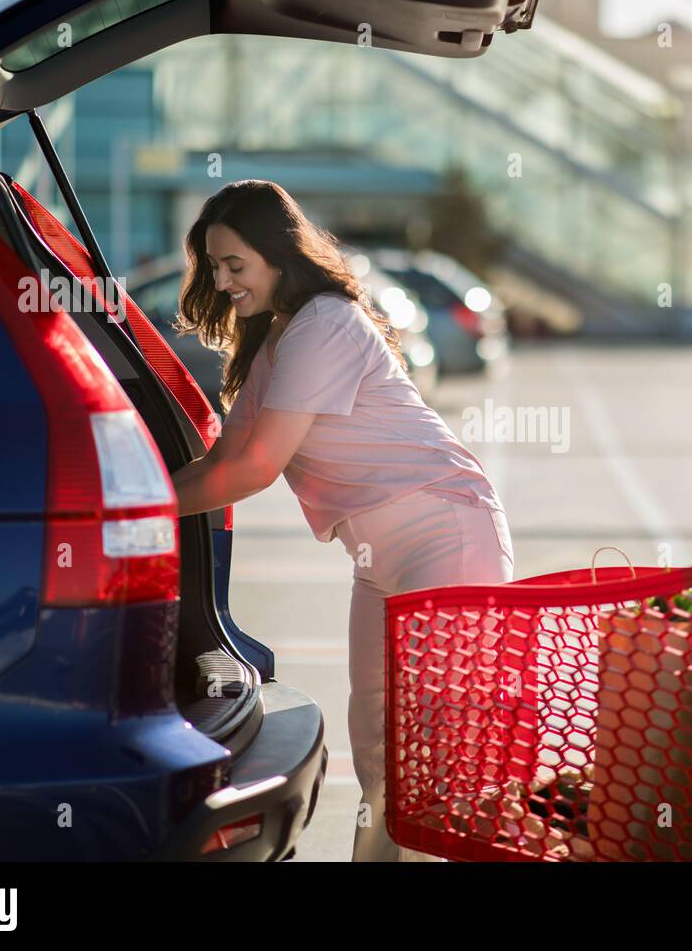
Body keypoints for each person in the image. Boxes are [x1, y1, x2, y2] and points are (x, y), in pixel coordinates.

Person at [172, 180, 514, 862]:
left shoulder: (325, 321)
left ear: (278, 254)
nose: (223, 280)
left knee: (432, 765)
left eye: (234, 264)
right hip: (380, 560)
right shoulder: (275, 343)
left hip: (446, 535)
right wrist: (122, 502)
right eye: (214, 267)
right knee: (379, 757)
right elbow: (222, 461)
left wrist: (129, 507)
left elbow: (256, 468)